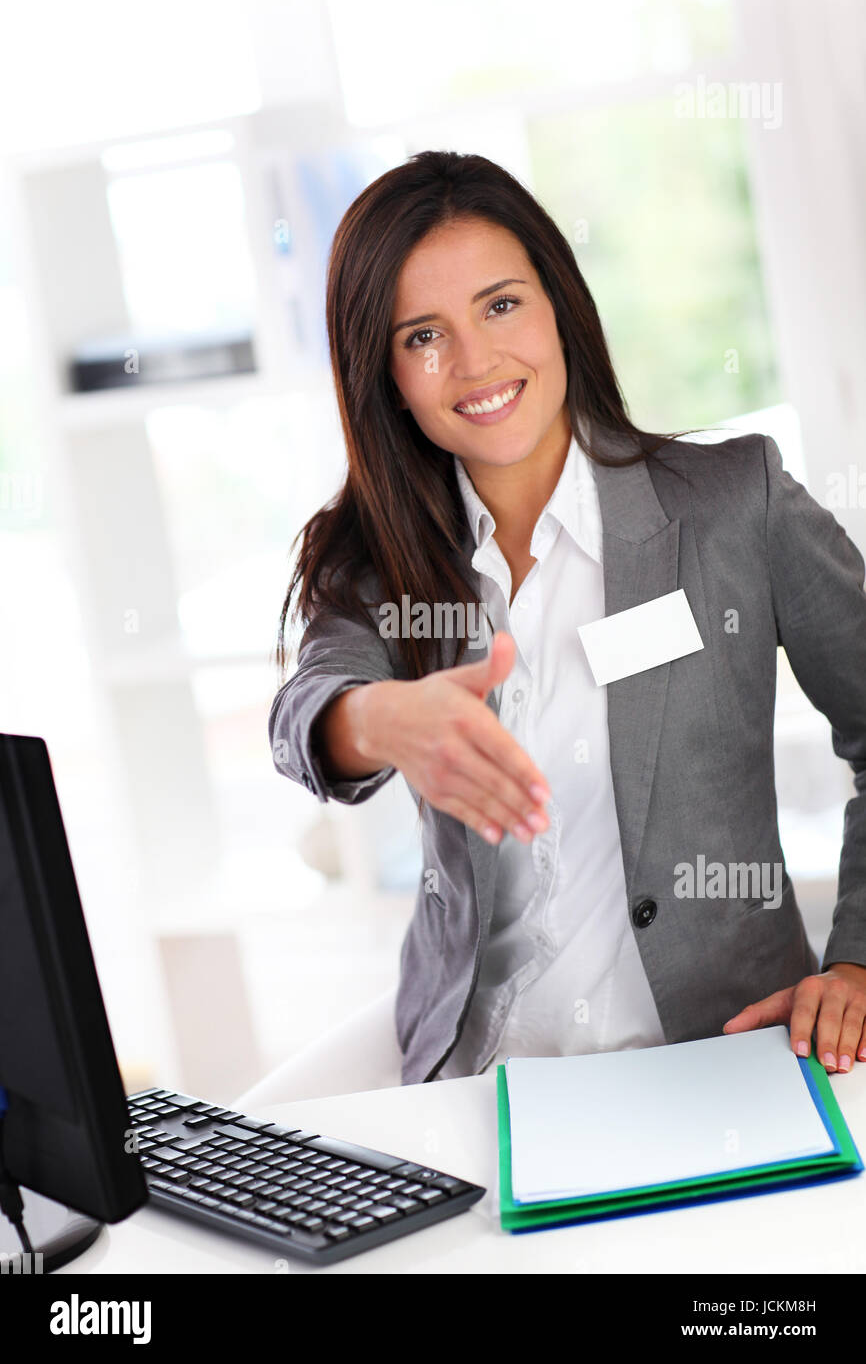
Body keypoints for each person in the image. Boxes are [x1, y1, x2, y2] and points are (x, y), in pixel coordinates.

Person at [270, 149, 866, 1085]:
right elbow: (307, 712)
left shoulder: (732, 504)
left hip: (722, 1065)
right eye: (422, 336)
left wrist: (859, 960)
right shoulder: (378, 562)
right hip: (477, 1090)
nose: (476, 362)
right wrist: (385, 718)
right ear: (382, 372)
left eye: (501, 304)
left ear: (559, 304)